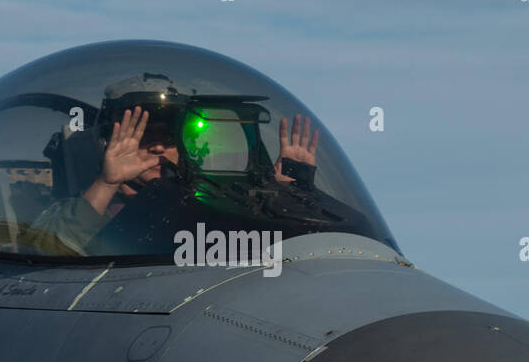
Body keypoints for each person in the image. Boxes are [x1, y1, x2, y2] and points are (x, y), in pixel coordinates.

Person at [31, 79, 319, 256]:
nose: (158, 148)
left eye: (169, 138)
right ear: (108, 143)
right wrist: (107, 184)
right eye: (144, 137)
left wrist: (284, 194)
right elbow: (48, 253)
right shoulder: (89, 209)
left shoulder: (204, 205)